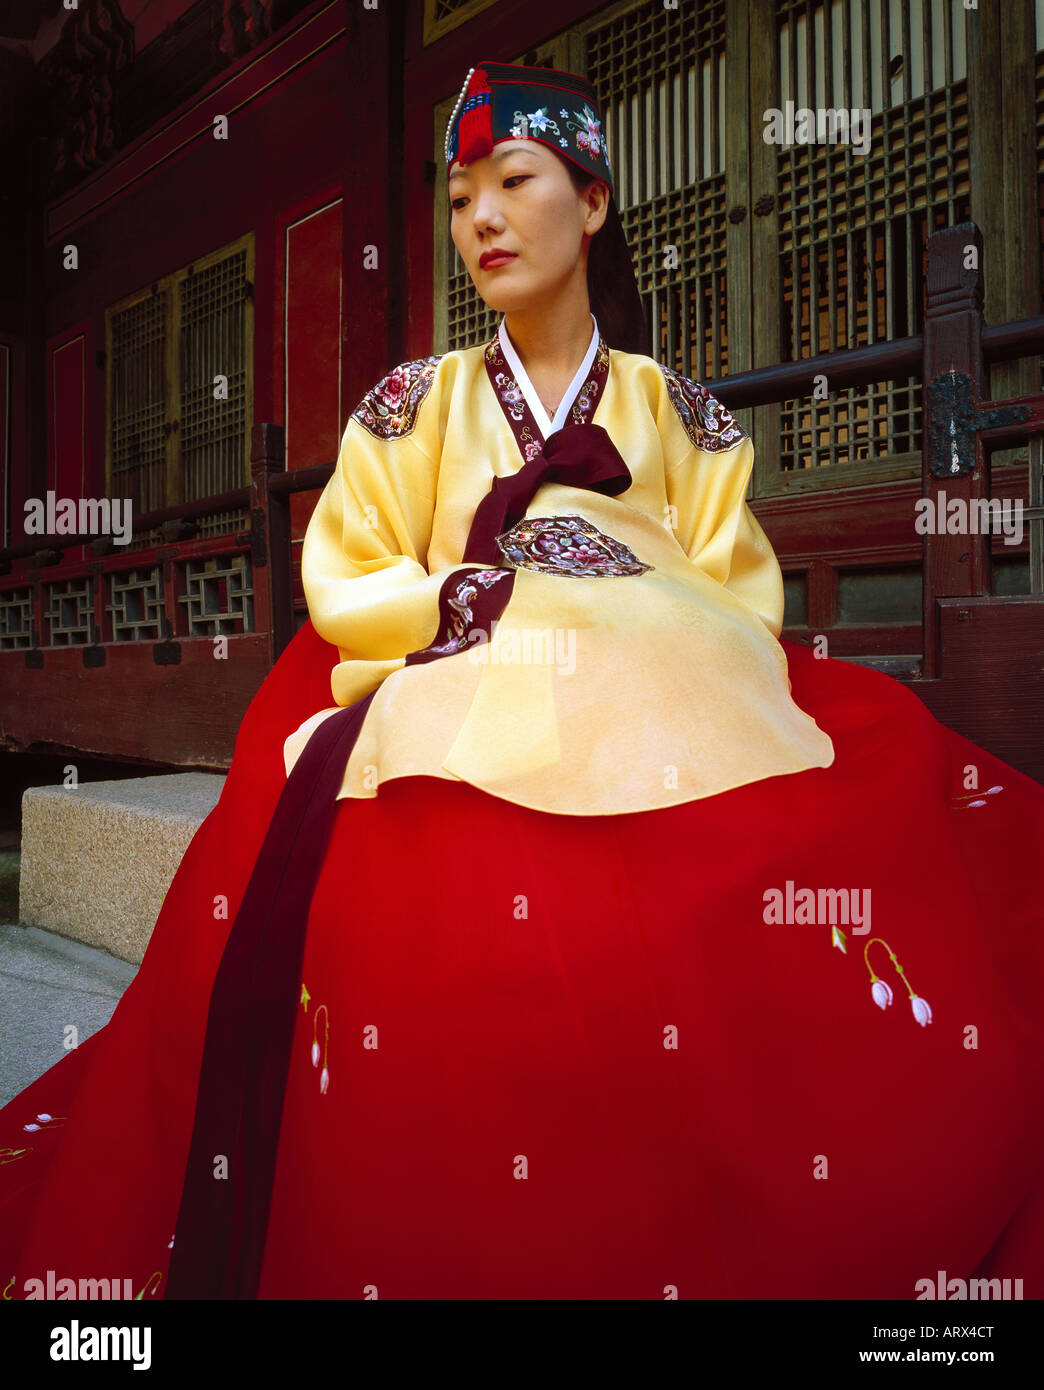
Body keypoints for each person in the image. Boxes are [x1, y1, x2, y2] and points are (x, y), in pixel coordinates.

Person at [2, 59, 1043, 1302]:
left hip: (660, 699)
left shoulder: (678, 413)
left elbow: (739, 593)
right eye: (457, 198)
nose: (480, 219)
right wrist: (470, 599)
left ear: (592, 202)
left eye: (513, 181)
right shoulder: (416, 405)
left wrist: (624, 605)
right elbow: (350, 566)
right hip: (463, 676)